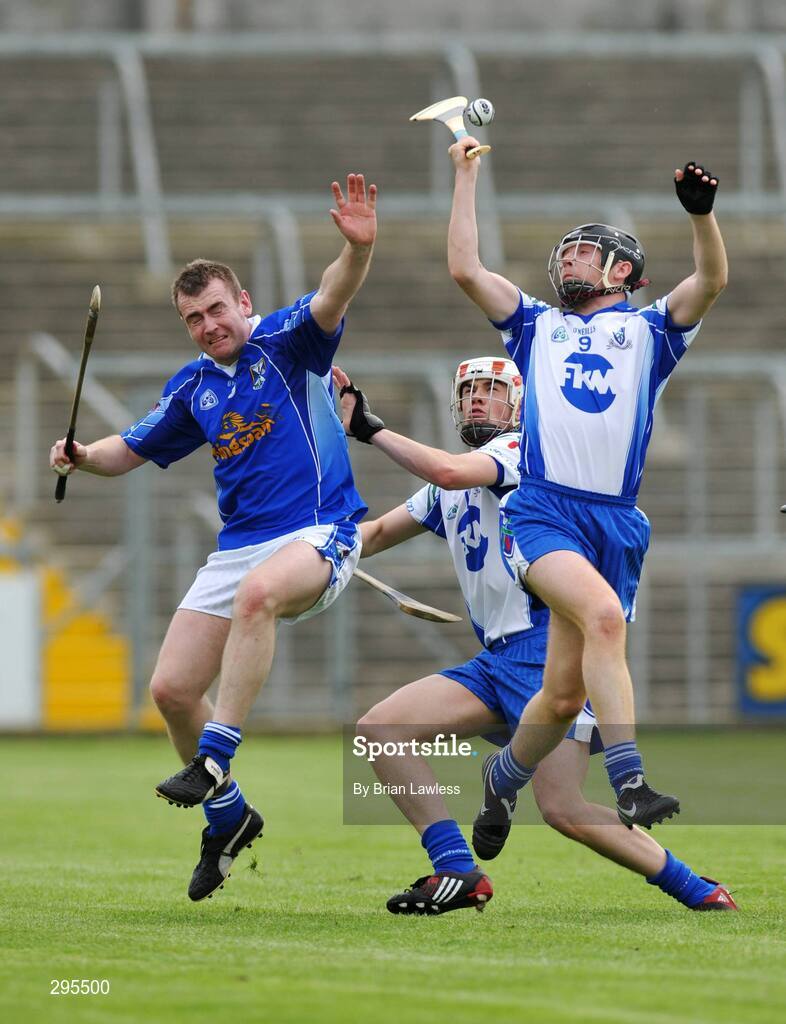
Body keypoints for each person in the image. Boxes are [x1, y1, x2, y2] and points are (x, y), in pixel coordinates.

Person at [49, 173, 378, 902]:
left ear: (245, 305)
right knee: (169, 690)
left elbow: (333, 294)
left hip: (319, 533)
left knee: (260, 596)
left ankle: (216, 760)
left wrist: (356, 250)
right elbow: (126, 451)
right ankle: (229, 819)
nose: (208, 325)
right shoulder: (192, 386)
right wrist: (80, 455)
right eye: (194, 317)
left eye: (218, 310)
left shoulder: (289, 343)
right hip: (238, 548)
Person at [335, 359, 736, 916]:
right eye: (469, 391)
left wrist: (370, 430)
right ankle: (456, 870)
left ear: (520, 405)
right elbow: (375, 533)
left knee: (563, 808)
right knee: (381, 732)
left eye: (493, 391)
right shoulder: (446, 486)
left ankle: (697, 889)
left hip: (548, 651)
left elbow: (451, 472)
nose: (478, 400)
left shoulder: (528, 456)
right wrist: (315, 545)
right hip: (496, 660)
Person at [446, 148, 728, 834]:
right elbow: (464, 268)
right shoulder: (536, 326)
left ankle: (501, 777)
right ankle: (630, 779)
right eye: (565, 253)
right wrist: (465, 175)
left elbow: (712, 279)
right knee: (603, 618)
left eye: (581, 253)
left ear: (621, 270)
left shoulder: (650, 332)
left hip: (617, 522)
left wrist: (702, 216)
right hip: (543, 511)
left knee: (564, 693)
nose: (565, 261)